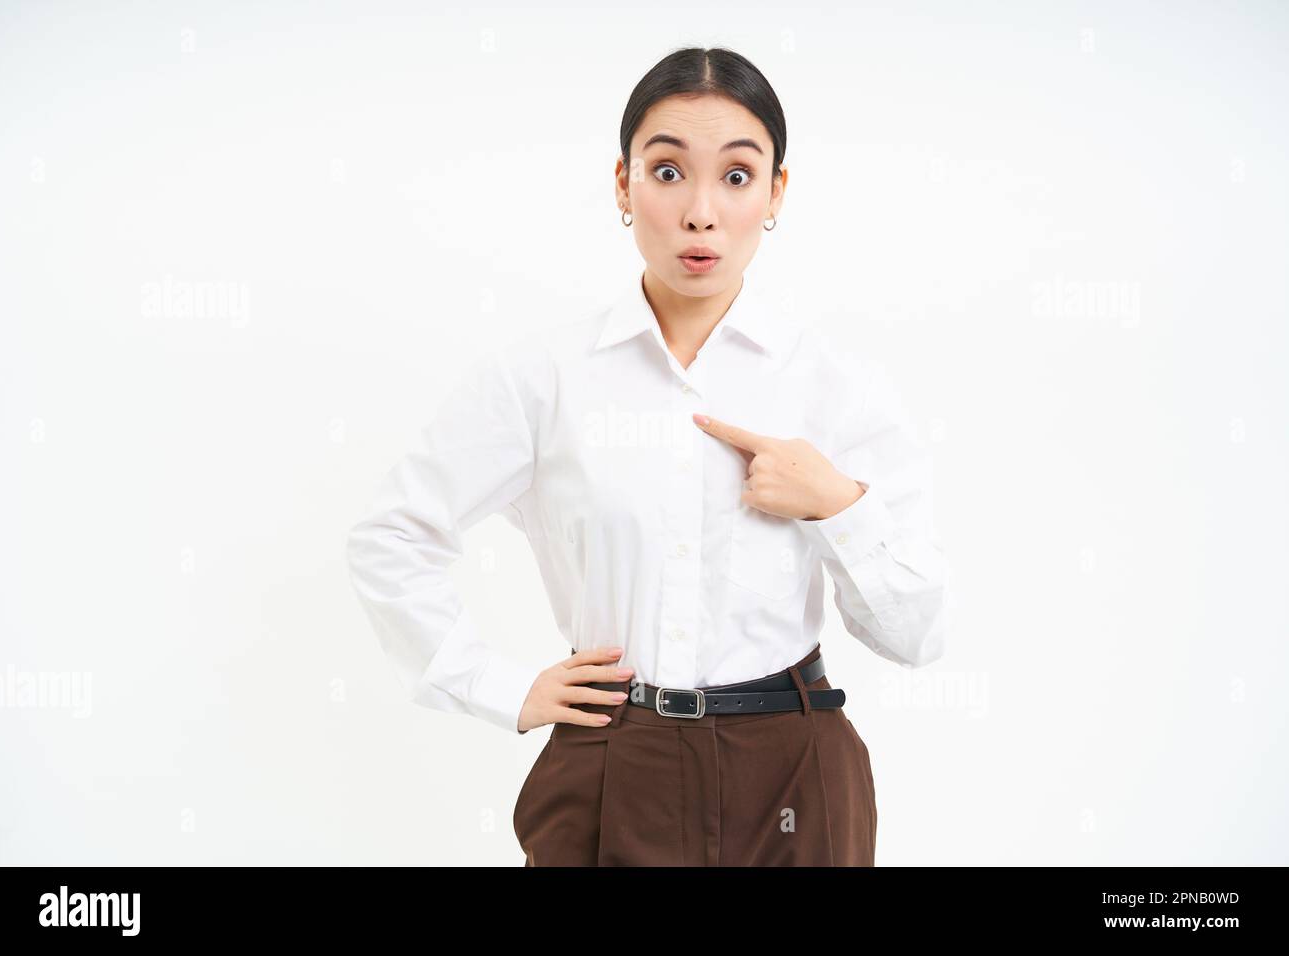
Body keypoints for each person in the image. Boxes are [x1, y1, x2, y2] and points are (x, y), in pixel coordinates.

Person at [345, 46, 948, 866]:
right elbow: (392, 537)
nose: (701, 212)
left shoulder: (835, 388)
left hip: (793, 769)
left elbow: (916, 634)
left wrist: (835, 501)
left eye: (737, 177)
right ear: (624, 186)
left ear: (775, 193)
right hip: (610, 760)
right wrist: (498, 686)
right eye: (668, 172)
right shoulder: (542, 378)